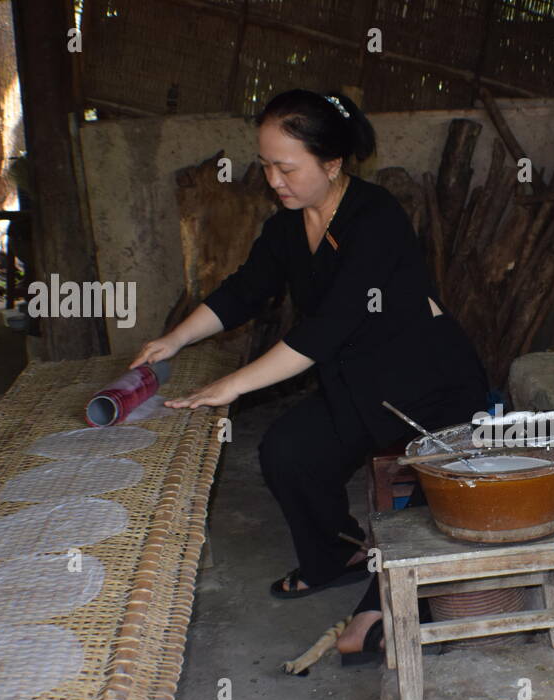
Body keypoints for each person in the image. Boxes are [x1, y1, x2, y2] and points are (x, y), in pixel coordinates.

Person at [130, 89, 489, 663]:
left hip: (429, 388)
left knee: (432, 509)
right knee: (287, 452)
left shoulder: (375, 219)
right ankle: (337, 556)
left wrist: (232, 385)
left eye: (286, 167)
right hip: (358, 384)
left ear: (332, 163)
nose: (273, 180)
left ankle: (389, 605)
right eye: (266, 165)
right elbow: (244, 290)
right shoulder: (286, 228)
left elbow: (325, 332)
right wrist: (175, 337)